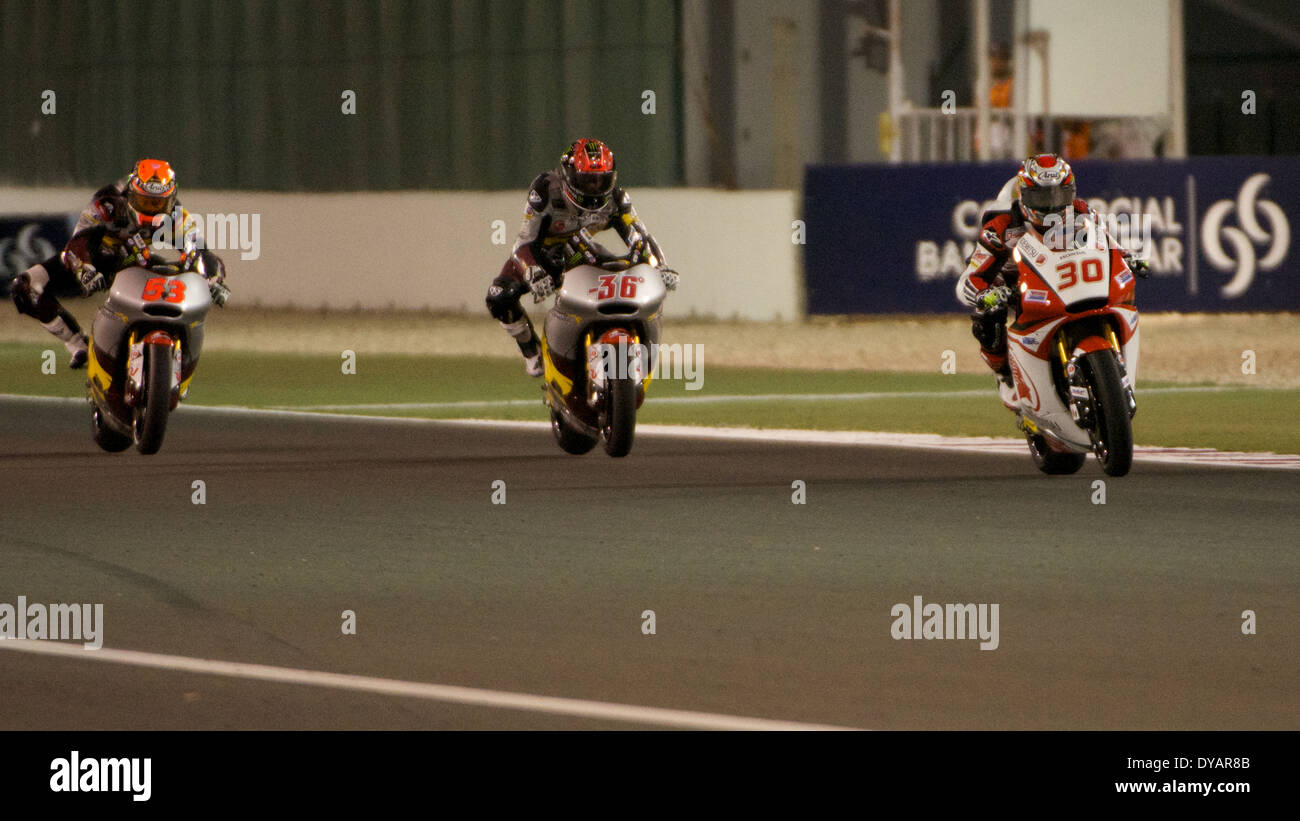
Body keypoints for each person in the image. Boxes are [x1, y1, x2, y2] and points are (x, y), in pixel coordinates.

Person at [10, 158, 228, 368]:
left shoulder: (176, 213)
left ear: (171, 198)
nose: (152, 209)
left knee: (179, 272)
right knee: (26, 288)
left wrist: (214, 278)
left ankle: (163, 340)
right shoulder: (107, 203)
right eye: (145, 201)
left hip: (136, 261)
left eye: (158, 203)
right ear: (131, 194)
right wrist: (84, 269)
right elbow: (78, 242)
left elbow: (199, 250)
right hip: (96, 260)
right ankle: (77, 345)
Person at [486, 138, 677, 376]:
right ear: (568, 176)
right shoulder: (545, 190)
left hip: (582, 252)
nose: (595, 188)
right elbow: (525, 241)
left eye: (601, 180)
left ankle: (617, 342)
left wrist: (660, 266)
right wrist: (533, 270)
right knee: (499, 296)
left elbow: (639, 236)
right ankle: (531, 352)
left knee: (616, 272)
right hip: (540, 256)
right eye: (587, 180)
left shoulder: (617, 199)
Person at [955, 153, 1147, 384]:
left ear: (1072, 192)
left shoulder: (1080, 210)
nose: (1051, 205)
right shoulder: (1001, 225)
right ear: (1023, 197)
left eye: (1059, 195)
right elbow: (970, 277)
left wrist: (1127, 257)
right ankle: (1006, 374)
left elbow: (1105, 242)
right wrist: (984, 294)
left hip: (1059, 275)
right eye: (1041, 197)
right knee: (987, 319)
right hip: (1012, 284)